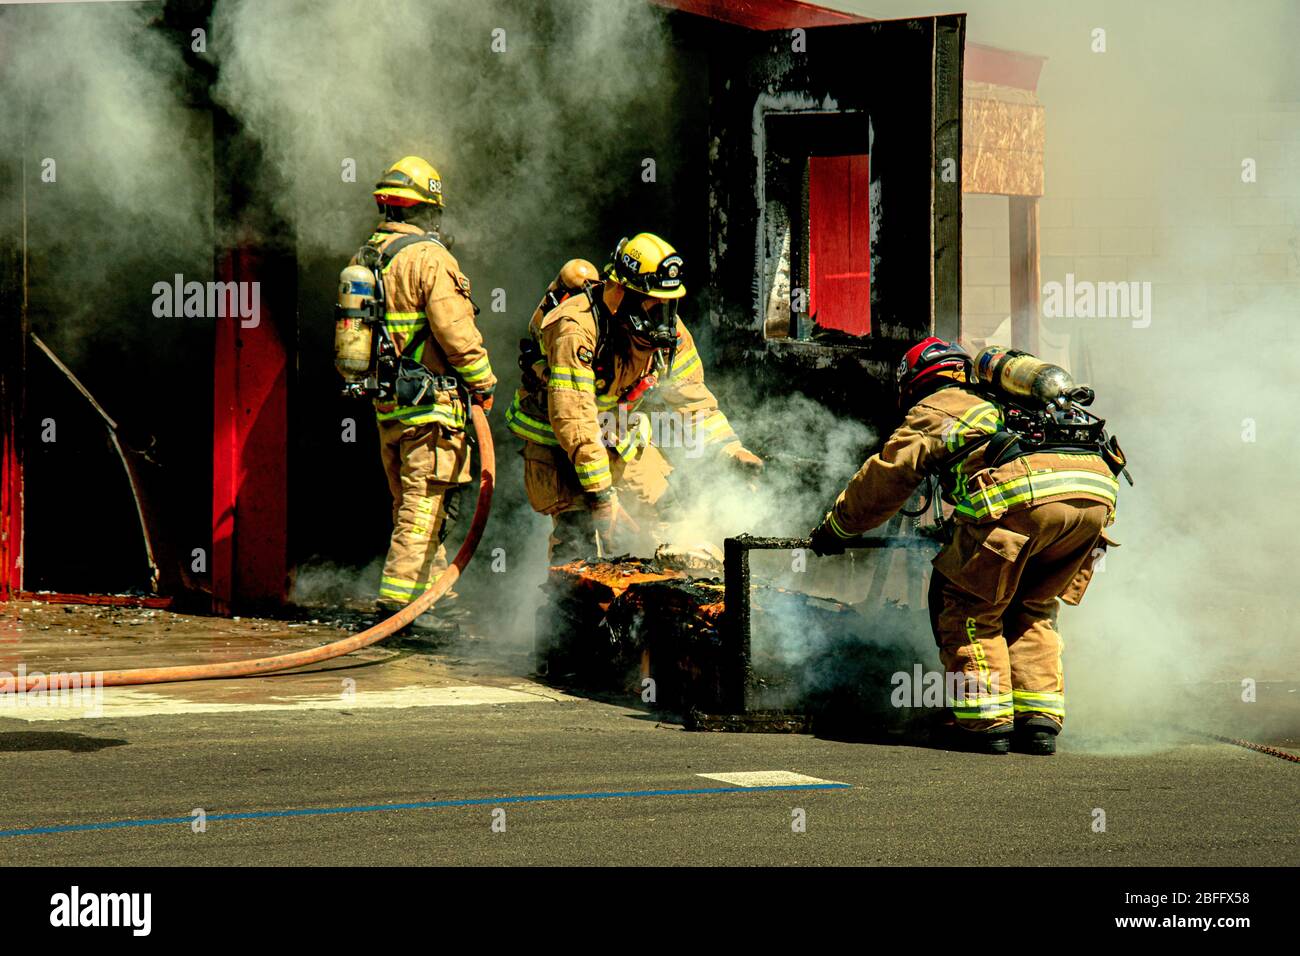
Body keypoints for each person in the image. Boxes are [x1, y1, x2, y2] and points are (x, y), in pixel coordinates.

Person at [809, 337, 1120, 755]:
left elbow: (886, 478)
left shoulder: (940, 405)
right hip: (1096, 497)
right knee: (1032, 606)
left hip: (1026, 500)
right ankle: (1039, 720)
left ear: (914, 383)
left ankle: (983, 723)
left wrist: (838, 528)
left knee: (969, 606)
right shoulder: (1007, 400)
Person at [506, 232, 762, 561]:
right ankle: (562, 611)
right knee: (577, 541)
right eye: (654, 302)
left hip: (616, 432)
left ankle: (661, 604)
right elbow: (575, 420)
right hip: (559, 440)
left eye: (670, 303)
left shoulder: (669, 332)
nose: (664, 316)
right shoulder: (575, 327)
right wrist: (602, 498)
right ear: (622, 293)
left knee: (669, 516)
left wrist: (730, 449)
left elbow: (692, 400)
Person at [361, 156, 495, 629]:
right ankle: (400, 607)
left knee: (414, 502)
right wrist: (482, 380)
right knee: (424, 505)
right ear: (426, 210)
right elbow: (454, 330)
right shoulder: (428, 258)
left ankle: (434, 597)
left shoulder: (369, 257)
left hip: (391, 407)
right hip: (431, 409)